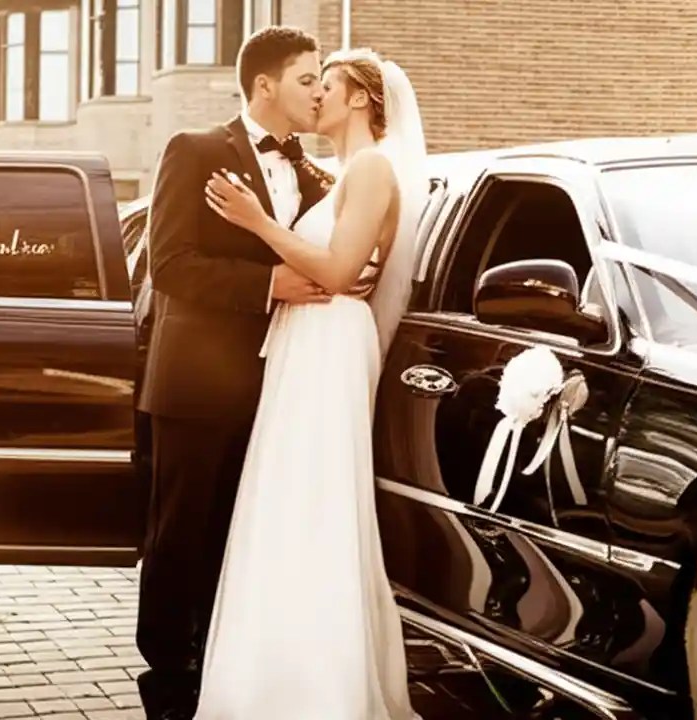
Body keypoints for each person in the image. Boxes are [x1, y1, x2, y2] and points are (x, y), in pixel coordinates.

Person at [195, 47, 430, 719]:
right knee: (286, 503)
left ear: (359, 97)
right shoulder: (344, 174)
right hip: (309, 344)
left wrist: (257, 222)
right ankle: (273, 681)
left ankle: (324, 691)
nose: (316, 95)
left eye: (325, 84)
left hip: (331, 342)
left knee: (318, 504)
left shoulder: (376, 169)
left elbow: (336, 270)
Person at [134, 25, 339, 720]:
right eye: (309, 79)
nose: (319, 92)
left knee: (243, 529)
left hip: (281, 384)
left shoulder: (317, 177)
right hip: (195, 381)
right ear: (265, 84)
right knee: (181, 528)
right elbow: (170, 266)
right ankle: (167, 670)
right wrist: (266, 286)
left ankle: (226, 652)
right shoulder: (193, 152)